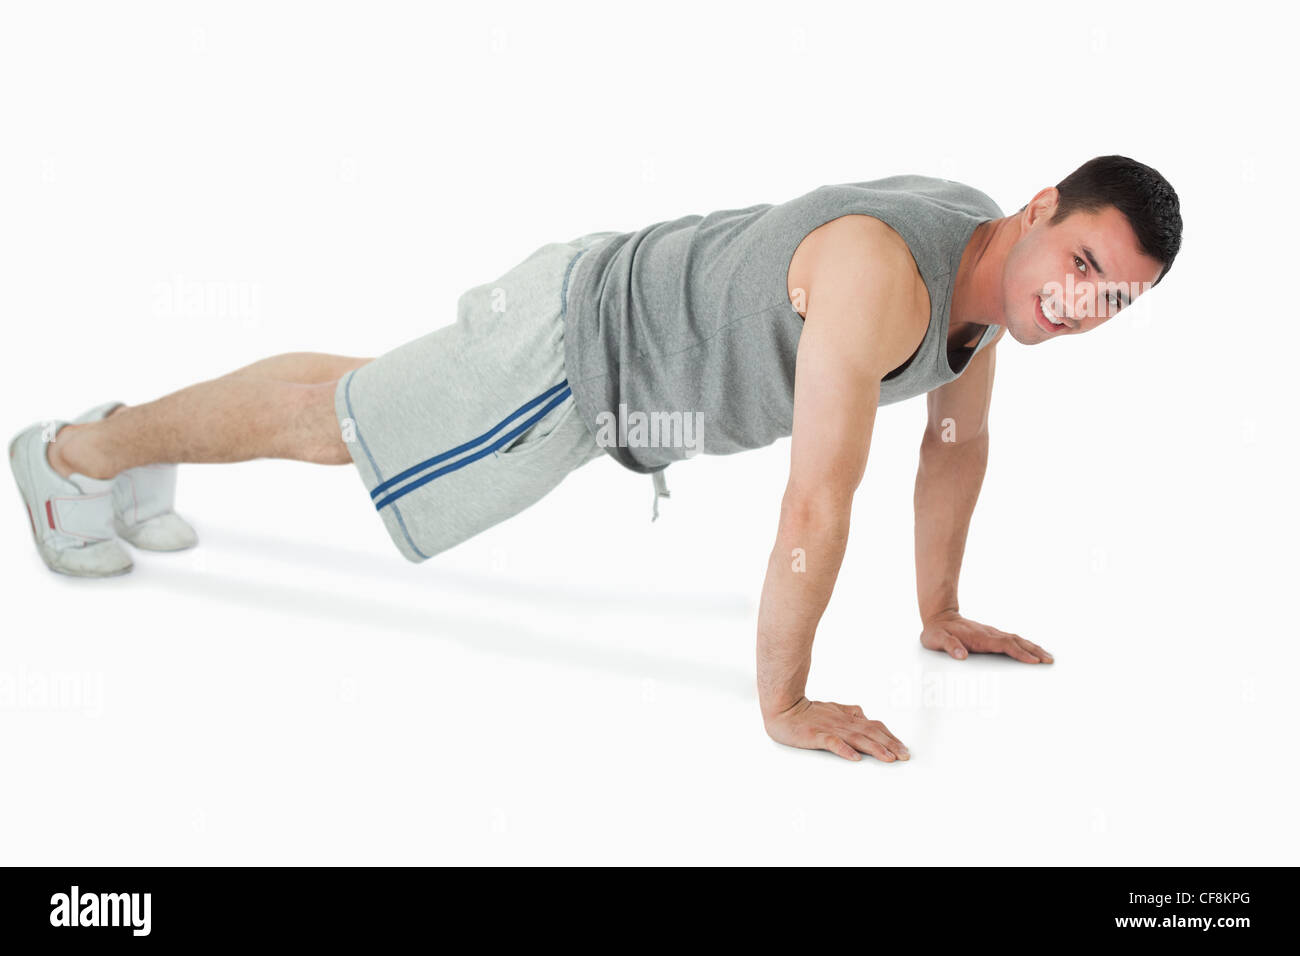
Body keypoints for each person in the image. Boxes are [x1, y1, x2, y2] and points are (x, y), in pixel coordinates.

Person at [9, 154, 1182, 761]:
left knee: (355, 396)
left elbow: (954, 443)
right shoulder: (888, 272)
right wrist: (781, 701)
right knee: (342, 423)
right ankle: (71, 454)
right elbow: (817, 500)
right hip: (579, 367)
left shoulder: (984, 275)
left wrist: (940, 608)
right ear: (1041, 209)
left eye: (1114, 299)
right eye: (1083, 263)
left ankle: (118, 439)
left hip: (593, 310)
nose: (1084, 305)